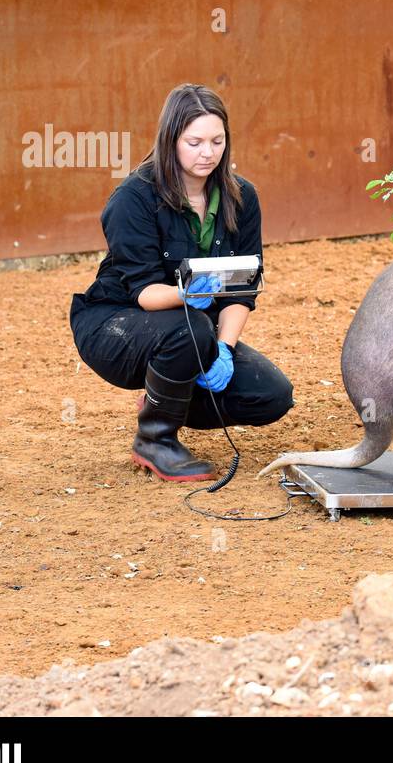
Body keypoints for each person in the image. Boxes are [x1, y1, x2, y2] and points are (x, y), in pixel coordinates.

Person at [69, 84, 294, 481]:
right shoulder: (134, 198)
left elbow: (242, 288)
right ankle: (156, 440)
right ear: (170, 140)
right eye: (194, 142)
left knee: (271, 395)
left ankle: (160, 398)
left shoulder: (242, 197)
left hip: (192, 331)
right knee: (191, 326)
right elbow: (144, 293)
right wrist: (190, 294)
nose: (207, 153)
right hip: (114, 324)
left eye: (217, 141)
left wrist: (224, 349)